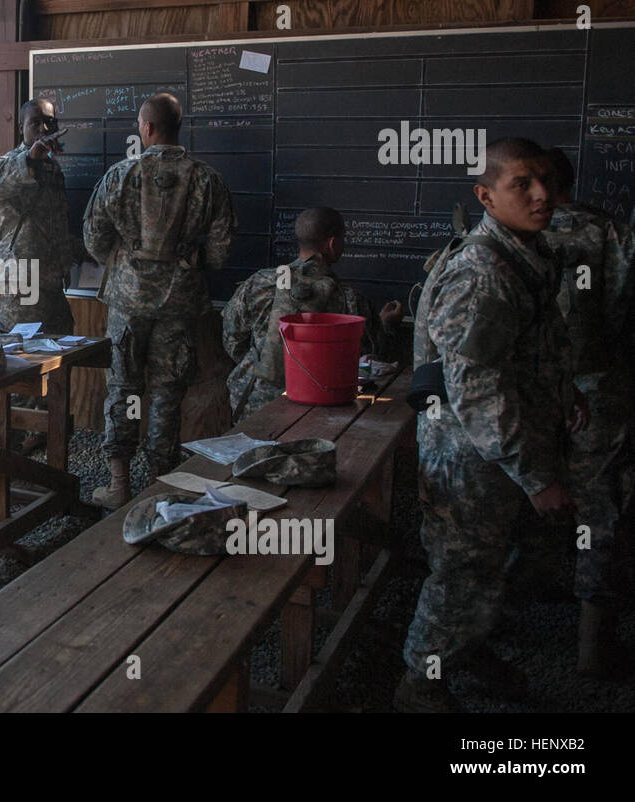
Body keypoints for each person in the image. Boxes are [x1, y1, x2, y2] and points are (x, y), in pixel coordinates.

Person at [397, 137, 582, 712]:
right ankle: (421, 685)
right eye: (522, 184)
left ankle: (465, 649)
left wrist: (563, 389)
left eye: (547, 180)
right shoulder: (482, 272)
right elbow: (476, 391)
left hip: (503, 447)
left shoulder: (528, 252)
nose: (542, 194)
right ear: (485, 195)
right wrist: (536, 476)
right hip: (473, 457)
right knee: (461, 573)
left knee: (494, 567)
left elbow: (525, 351)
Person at [82, 92, 237, 508]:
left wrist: (124, 263)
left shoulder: (120, 175)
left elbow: (94, 237)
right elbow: (222, 248)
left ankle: (118, 484)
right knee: (169, 389)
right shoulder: (206, 178)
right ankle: (158, 483)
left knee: (125, 387)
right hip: (180, 300)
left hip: (128, 302)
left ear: (147, 128)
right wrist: (190, 261)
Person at [539, 147, 635, 677]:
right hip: (598, 391)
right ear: (572, 183)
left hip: (525, 396)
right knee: (598, 510)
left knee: (519, 492)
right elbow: (623, 313)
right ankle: (591, 648)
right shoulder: (610, 234)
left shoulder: (507, 238)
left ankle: (500, 618)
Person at [223, 206, 403, 421]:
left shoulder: (257, 284)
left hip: (254, 404)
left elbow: (232, 338)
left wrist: (264, 369)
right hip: (321, 409)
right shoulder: (351, 299)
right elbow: (371, 357)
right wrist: (388, 325)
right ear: (332, 243)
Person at [0, 98, 75, 335]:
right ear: (20, 127)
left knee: (61, 345)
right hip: (17, 279)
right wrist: (30, 159)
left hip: (49, 279)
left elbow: (56, 223)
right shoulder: (10, 163)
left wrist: (67, 262)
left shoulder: (54, 170)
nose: (43, 129)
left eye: (49, 123)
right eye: (35, 123)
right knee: (23, 353)